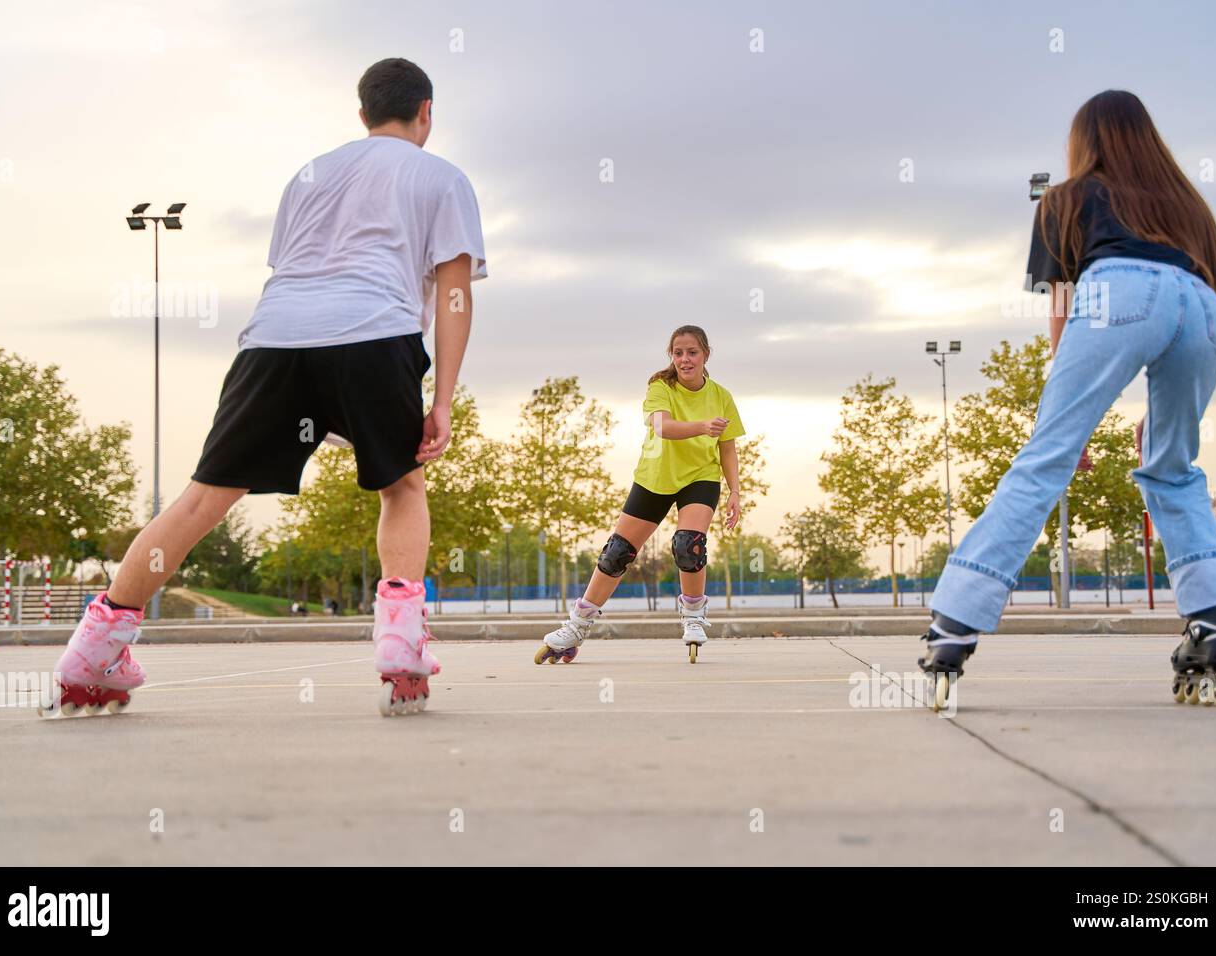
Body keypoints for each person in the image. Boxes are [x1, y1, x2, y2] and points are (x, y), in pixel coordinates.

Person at [43, 57, 485, 718]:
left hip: (274, 339)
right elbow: (452, 298)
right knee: (401, 484)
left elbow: (290, 269)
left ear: (361, 114)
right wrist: (442, 400)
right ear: (427, 111)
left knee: (201, 499)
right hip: (372, 333)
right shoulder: (442, 177)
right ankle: (399, 642)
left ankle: (94, 650)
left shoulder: (308, 175)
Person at [921, 90, 1216, 709]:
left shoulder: (1066, 198)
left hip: (1116, 293)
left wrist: (1065, 425)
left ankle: (954, 626)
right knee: (1172, 466)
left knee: (1045, 462)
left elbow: (1062, 305)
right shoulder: (1188, 203)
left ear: (1084, 143)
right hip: (1203, 312)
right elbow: (1208, 301)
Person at [536, 325, 745, 664]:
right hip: (654, 478)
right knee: (617, 553)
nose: (685, 359)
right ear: (671, 356)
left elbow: (728, 448)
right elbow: (663, 427)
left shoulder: (721, 395)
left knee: (688, 544)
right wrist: (703, 427)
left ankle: (693, 616)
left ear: (706, 354)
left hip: (700, 477)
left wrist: (735, 491)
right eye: (678, 353)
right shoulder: (660, 387)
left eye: (692, 352)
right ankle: (576, 626)